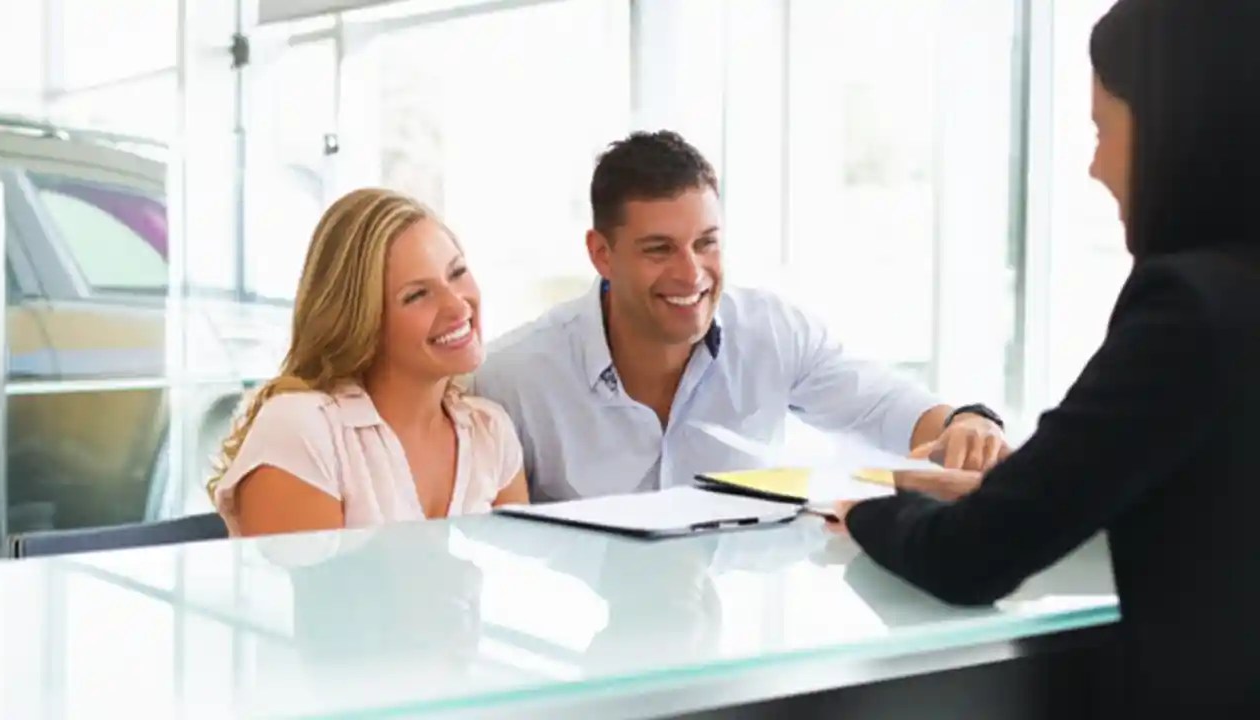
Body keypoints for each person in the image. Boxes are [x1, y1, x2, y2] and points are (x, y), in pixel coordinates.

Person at [833, 0, 1260, 709]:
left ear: (1178, 130)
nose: (1094, 166)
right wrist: (1019, 490)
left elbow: (973, 555)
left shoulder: (1190, 307)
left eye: (1103, 129)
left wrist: (864, 514)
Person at [474, 130, 1011, 502]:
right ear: (601, 254)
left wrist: (968, 421)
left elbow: (886, 407)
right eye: (659, 250)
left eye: (706, 243)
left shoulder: (771, 332)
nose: (692, 275)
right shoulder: (513, 379)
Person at [208, 188, 528, 536]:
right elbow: (318, 591)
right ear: (361, 321)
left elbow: (514, 582)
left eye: (457, 272)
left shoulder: (490, 432)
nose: (458, 307)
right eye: (417, 295)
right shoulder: (302, 429)